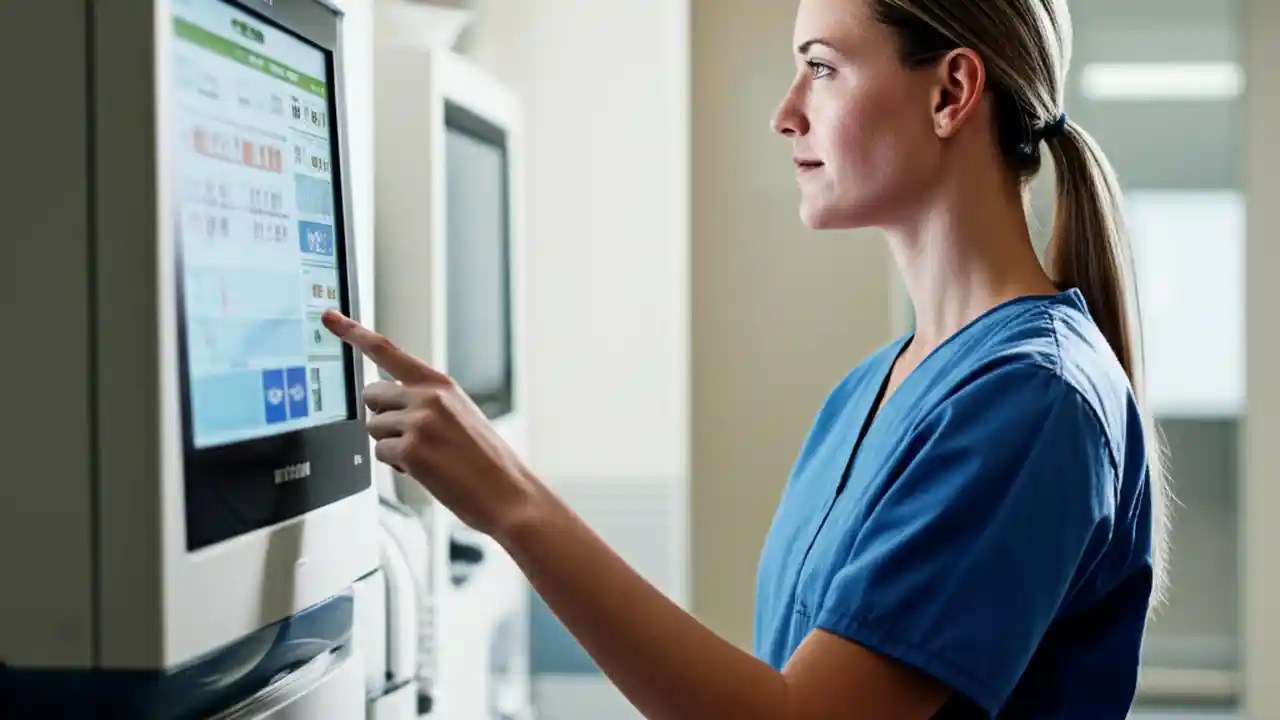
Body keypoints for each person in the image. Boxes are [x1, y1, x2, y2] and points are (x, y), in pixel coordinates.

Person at [322, 0, 1167, 716]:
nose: (786, 111)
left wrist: (511, 501)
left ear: (951, 91)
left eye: (823, 67)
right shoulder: (876, 386)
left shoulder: (1033, 399)